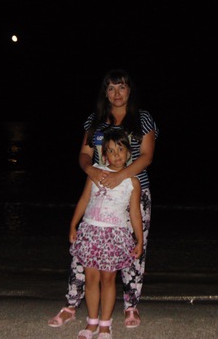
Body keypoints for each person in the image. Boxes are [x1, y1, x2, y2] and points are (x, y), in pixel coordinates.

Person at [48, 68, 159, 328]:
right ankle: (71, 304)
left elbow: (147, 156)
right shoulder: (95, 120)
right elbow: (84, 154)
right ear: (105, 93)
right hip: (98, 194)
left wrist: (121, 176)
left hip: (133, 191)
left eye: (121, 87)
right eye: (111, 88)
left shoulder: (143, 118)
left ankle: (131, 306)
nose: (117, 93)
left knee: (133, 249)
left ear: (129, 90)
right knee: (84, 252)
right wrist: (91, 170)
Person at [69, 128, 143, 339]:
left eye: (120, 149)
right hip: (90, 231)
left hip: (114, 235)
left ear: (129, 152)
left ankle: (105, 324)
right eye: (111, 151)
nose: (116, 155)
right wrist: (73, 225)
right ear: (104, 155)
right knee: (91, 279)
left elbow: (135, 213)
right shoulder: (95, 174)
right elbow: (84, 200)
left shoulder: (132, 182)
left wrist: (139, 240)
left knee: (108, 280)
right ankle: (92, 322)